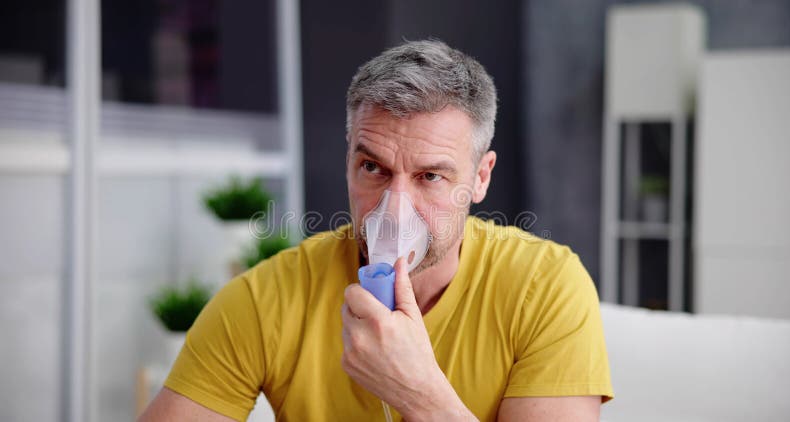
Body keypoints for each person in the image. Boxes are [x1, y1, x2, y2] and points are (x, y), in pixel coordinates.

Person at [139, 40, 613, 422]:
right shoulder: (267, 299)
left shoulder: (546, 287)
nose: (395, 209)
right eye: (374, 168)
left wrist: (421, 396)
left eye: (430, 176)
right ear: (349, 162)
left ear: (480, 178)